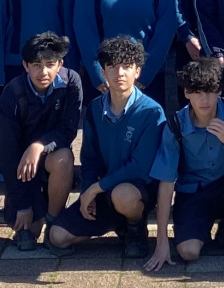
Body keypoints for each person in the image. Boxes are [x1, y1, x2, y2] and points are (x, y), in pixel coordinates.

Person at [47, 36, 175, 259]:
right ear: (103, 72)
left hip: (135, 191)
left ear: (138, 71)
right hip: (104, 190)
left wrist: (97, 188)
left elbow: (140, 167)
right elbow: (89, 158)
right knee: (57, 236)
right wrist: (89, 192)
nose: (120, 74)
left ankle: (134, 228)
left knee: (123, 195)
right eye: (112, 67)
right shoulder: (95, 108)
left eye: (127, 67)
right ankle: (115, 223)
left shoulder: (152, 112)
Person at [148, 56, 224, 269]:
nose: (205, 100)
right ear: (187, 93)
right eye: (198, 92)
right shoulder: (174, 124)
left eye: (210, 91)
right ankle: (201, 227)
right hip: (193, 193)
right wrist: (161, 240)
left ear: (220, 90)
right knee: (188, 252)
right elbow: (166, 183)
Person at [0, 31, 82, 250]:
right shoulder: (12, 93)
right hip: (19, 165)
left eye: (50, 64)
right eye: (36, 65)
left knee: (64, 158)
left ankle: (53, 222)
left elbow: (68, 130)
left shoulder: (71, 82)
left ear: (60, 64)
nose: (43, 71)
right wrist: (22, 205)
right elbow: (8, 151)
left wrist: (39, 145)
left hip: (50, 154)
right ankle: (26, 212)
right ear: (25, 65)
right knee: (27, 231)